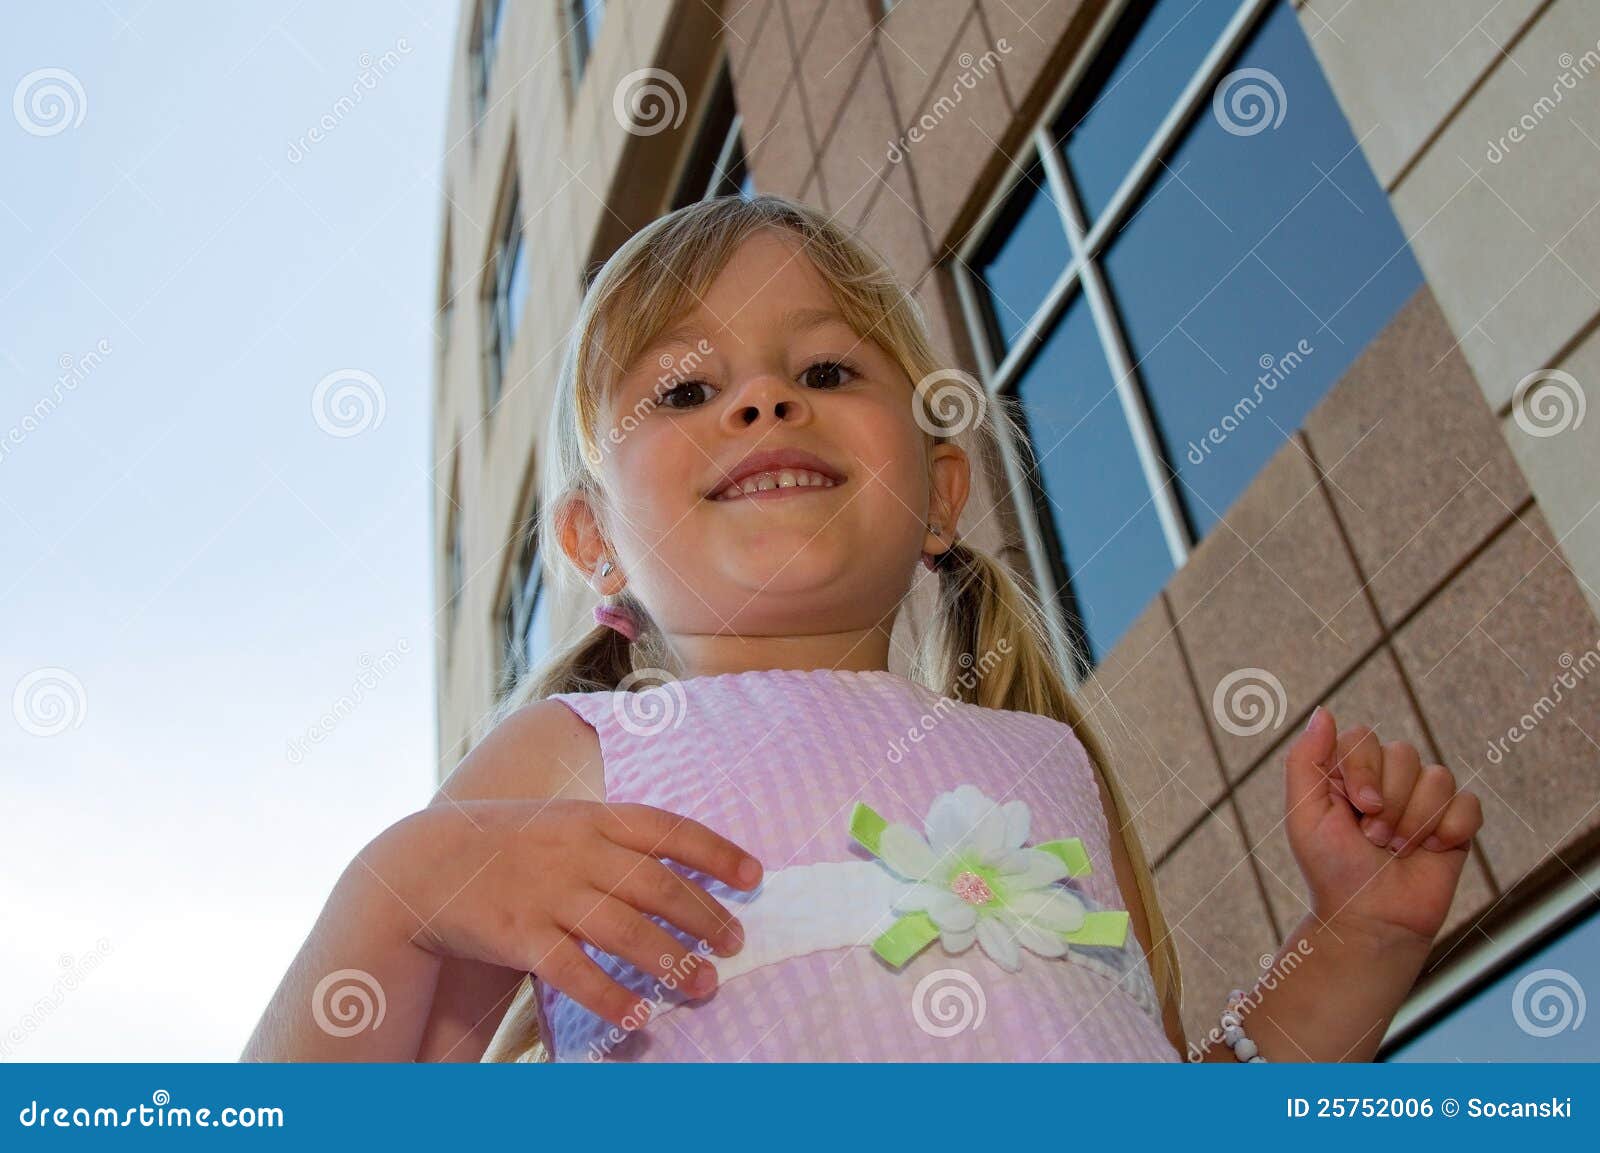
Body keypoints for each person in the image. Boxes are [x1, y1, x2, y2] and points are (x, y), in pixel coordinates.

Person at [242, 194, 1483, 1063]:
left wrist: (1354, 940)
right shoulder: (577, 757)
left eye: (828, 372)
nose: (765, 398)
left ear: (941, 492)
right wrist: (396, 892)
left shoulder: (1042, 762)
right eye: (685, 390)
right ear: (593, 542)